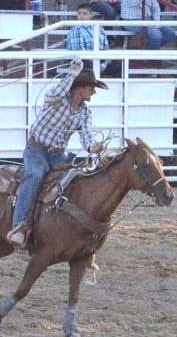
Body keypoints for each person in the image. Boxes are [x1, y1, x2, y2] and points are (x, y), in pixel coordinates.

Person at [8, 56, 106, 247]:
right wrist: (72, 74)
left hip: (57, 155)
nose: (93, 92)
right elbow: (55, 93)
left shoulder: (85, 113)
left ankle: (62, 228)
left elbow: (86, 136)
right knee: (34, 177)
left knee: (74, 181)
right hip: (36, 150)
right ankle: (18, 225)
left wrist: (92, 147)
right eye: (91, 87)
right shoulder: (58, 100)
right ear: (80, 88)